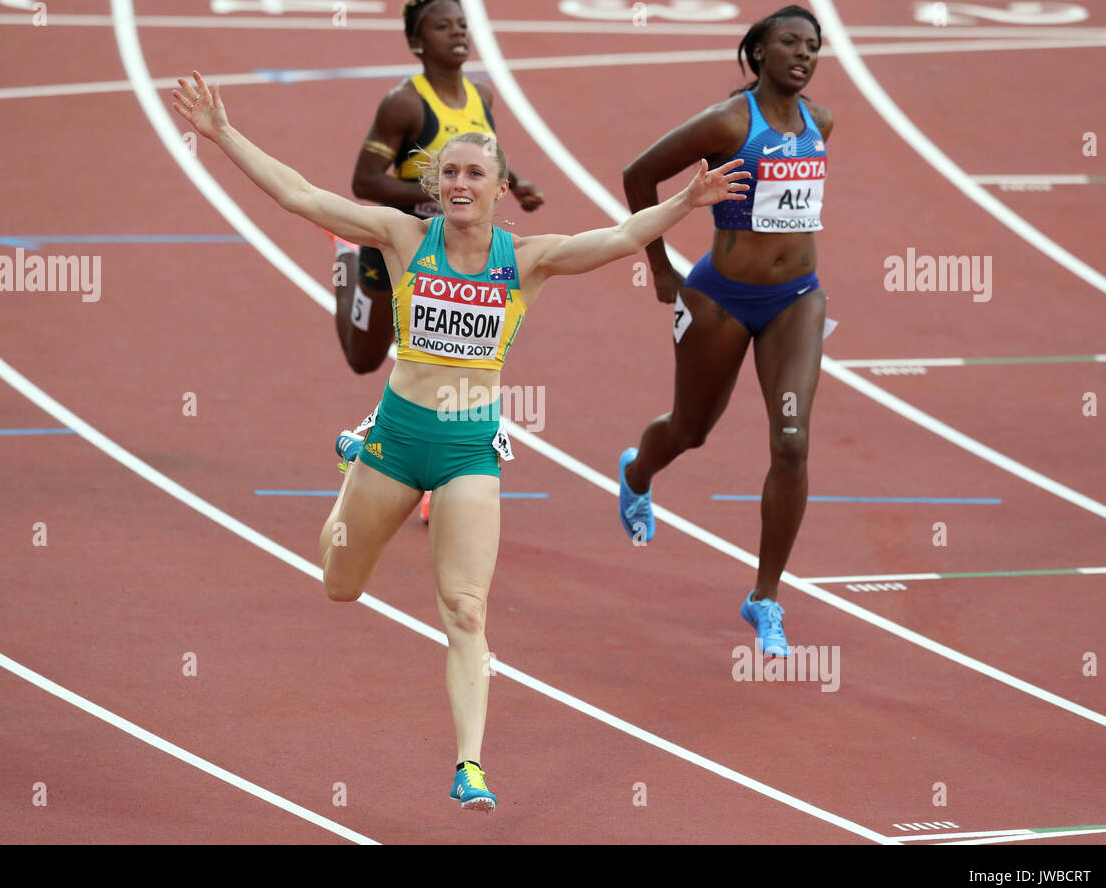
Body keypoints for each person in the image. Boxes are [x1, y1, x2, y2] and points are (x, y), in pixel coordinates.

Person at [173, 70, 748, 810]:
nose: (459, 183)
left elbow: (618, 237)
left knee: (467, 609)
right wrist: (224, 136)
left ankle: (469, 764)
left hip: (469, 449)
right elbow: (299, 194)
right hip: (397, 439)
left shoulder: (526, 259)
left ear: (499, 186)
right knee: (340, 584)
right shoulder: (402, 236)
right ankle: (355, 454)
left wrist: (685, 203)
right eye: (448, 172)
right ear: (435, 183)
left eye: (474, 173)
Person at [617, 5, 833, 660]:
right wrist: (658, 265)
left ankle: (765, 598)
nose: (803, 54)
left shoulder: (821, 123)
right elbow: (638, 174)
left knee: (792, 443)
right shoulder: (729, 121)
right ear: (759, 53)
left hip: (797, 299)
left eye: (813, 46)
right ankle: (637, 472)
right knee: (692, 429)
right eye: (790, 43)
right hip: (720, 299)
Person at [333, 0, 544, 523]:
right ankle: (346, 264)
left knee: (439, 356)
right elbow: (363, 180)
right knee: (363, 359)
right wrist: (441, 197)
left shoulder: (483, 97)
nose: (457, 33)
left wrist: (515, 185)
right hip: (405, 247)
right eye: (442, 26)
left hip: (463, 252)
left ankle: (437, 477)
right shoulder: (404, 102)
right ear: (416, 42)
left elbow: (489, 155)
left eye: (462, 25)